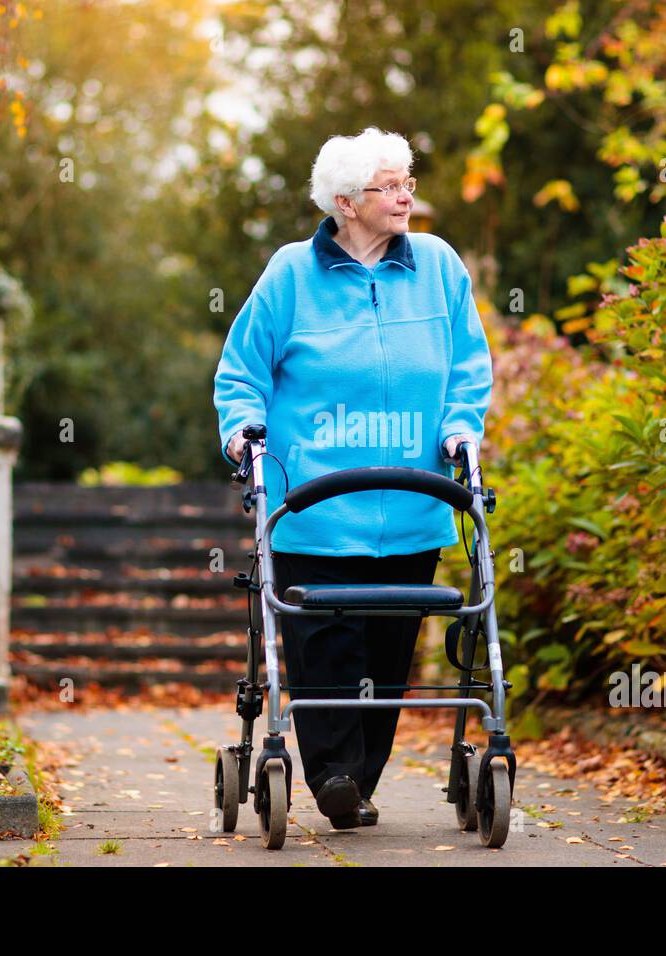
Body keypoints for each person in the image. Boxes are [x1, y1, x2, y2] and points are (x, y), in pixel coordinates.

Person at [213, 126, 493, 830]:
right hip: (312, 508)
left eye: (408, 182)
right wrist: (244, 433)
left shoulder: (437, 266)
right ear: (344, 201)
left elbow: (468, 363)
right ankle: (333, 775)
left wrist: (462, 425)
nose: (405, 196)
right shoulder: (289, 275)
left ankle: (358, 777)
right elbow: (241, 371)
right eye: (388, 186)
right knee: (325, 643)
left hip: (412, 504)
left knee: (389, 649)